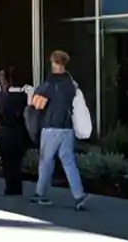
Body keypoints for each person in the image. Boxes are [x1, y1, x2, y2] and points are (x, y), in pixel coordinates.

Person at [29, 50, 89, 210]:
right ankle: (79, 195)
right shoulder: (71, 84)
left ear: (54, 63)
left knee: (46, 162)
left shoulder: (49, 83)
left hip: (50, 127)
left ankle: (40, 194)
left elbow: (35, 102)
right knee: (69, 162)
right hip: (67, 128)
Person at [0, 68, 33, 196]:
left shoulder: (0, 94)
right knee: (17, 161)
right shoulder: (26, 93)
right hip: (19, 131)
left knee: (7, 162)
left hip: (5, 132)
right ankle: (17, 186)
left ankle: (10, 187)